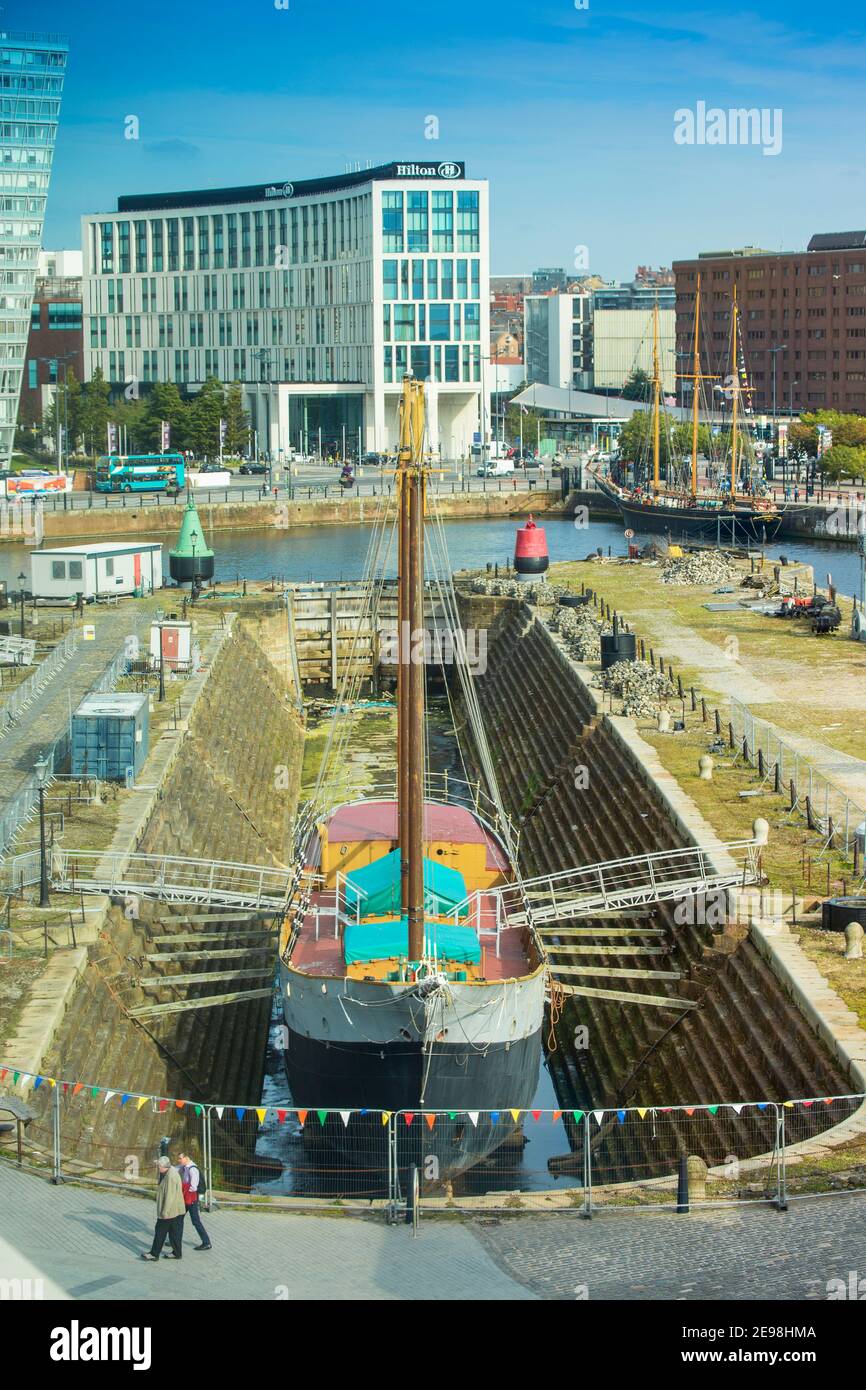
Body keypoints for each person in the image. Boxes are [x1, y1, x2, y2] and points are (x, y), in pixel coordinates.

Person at [141, 1156, 185, 1261]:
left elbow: (169, 1197)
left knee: (160, 1232)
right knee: (175, 1232)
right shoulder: (172, 1170)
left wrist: (164, 1212)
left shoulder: (170, 1177)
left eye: (158, 1166)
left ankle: (154, 1254)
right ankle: (177, 1253)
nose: (158, 1168)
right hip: (177, 1210)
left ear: (163, 1166)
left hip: (169, 1211)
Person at [178, 1150, 212, 1251]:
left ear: (186, 1158)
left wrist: (183, 1189)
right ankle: (175, 1240)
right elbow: (174, 1169)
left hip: (191, 1199)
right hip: (187, 1198)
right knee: (178, 1219)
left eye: (180, 1158)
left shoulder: (192, 1169)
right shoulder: (184, 1167)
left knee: (195, 1221)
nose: (178, 1160)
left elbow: (193, 1187)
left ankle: (206, 1242)